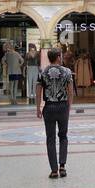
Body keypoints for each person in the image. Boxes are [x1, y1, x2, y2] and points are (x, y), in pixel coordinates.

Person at [36, 48, 74, 179]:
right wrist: (69, 106)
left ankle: (54, 170)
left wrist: (38, 108)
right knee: (63, 136)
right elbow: (70, 91)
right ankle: (62, 166)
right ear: (58, 57)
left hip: (49, 107)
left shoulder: (43, 71)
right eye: (61, 55)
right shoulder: (67, 71)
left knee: (50, 139)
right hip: (62, 106)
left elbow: (38, 90)